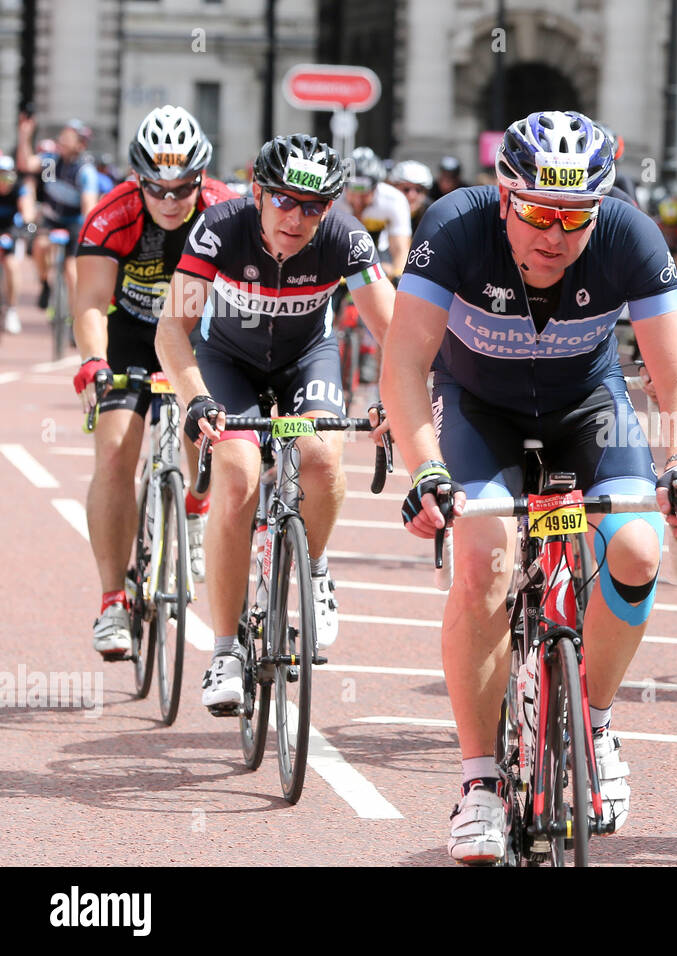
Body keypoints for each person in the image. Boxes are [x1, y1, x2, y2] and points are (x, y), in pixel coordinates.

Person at [381, 109, 677, 864]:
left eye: (575, 218)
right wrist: (426, 470)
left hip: (586, 407)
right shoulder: (456, 227)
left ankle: (593, 723)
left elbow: (676, 373)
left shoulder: (631, 236)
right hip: (476, 408)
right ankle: (479, 786)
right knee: (486, 559)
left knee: (636, 544)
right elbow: (403, 364)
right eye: (537, 211)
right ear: (504, 198)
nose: (554, 234)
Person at [155, 133, 394, 711]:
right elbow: (172, 330)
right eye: (284, 201)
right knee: (236, 475)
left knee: (321, 455)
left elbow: (397, 333)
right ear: (258, 194)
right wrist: (195, 400)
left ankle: (313, 567)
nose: (296, 217)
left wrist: (394, 396)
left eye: (312, 207)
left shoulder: (344, 239)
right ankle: (225, 650)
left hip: (305, 359)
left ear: (329, 209)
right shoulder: (219, 229)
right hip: (226, 361)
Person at [73, 106, 238, 658]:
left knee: (209, 433)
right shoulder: (111, 215)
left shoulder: (225, 208)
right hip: (132, 337)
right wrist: (94, 362)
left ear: (201, 178)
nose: (170, 201)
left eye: (182, 187)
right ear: (138, 179)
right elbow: (92, 303)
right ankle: (112, 602)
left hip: (197, 337)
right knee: (117, 452)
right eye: (157, 188)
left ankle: (195, 509)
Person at [15, 116, 99, 312]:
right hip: (51, 218)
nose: (62, 140)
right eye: (63, 136)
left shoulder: (85, 170)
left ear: (80, 144)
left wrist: (88, 232)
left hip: (75, 222)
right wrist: (24, 135)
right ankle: (45, 283)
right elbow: (26, 164)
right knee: (39, 246)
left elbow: (89, 205)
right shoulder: (51, 163)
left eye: (69, 138)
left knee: (72, 272)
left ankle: (73, 318)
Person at [345, 147, 412, 273]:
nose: (358, 200)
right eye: (354, 193)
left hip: (377, 251)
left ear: (376, 188)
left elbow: (400, 249)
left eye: (364, 194)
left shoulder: (394, 199)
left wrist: (397, 276)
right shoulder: (333, 198)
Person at [0, 154, 34, 335]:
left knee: (12, 266)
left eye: (7, 177)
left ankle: (11, 309)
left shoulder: (19, 187)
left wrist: (28, 226)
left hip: (10, 229)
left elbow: (27, 209)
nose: (4, 182)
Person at [389, 159, 434, 231]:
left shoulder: (432, 216)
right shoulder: (379, 213)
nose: (412, 196)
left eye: (418, 190)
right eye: (406, 189)